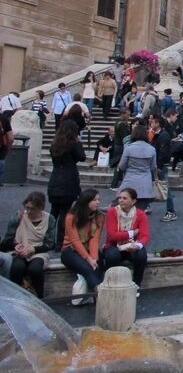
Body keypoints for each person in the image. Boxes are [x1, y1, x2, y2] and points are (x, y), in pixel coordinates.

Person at [1, 192, 55, 298]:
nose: (29, 211)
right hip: (19, 251)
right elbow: (6, 242)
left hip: (38, 252)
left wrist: (33, 249)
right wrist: (15, 246)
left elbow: (50, 244)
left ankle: (40, 297)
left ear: (40, 208)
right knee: (17, 267)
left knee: (35, 269)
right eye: (27, 207)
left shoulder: (49, 219)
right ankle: (15, 296)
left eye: (33, 209)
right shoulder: (18, 217)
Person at [47, 121, 85, 249]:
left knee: (53, 212)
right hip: (68, 180)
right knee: (64, 213)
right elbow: (82, 157)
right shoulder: (73, 145)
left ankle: (48, 239)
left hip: (55, 179)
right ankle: (60, 242)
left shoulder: (55, 144)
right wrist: (78, 142)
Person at [102, 187, 149, 290]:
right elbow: (112, 236)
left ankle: (136, 285)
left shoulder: (141, 214)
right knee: (112, 256)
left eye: (125, 198)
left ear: (133, 201)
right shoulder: (112, 212)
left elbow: (144, 236)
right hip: (114, 245)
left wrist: (137, 245)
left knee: (141, 255)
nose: (121, 200)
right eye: (120, 198)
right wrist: (132, 233)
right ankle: (111, 284)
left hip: (132, 245)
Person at [61, 189, 105, 297]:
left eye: (99, 199)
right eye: (94, 200)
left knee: (98, 265)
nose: (98, 202)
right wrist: (89, 259)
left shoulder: (100, 216)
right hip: (70, 249)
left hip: (89, 249)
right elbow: (75, 241)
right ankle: (101, 294)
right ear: (86, 201)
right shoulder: (71, 217)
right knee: (87, 268)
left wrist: (94, 258)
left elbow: (95, 239)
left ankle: (98, 296)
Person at [115, 125, 158, 211]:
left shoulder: (128, 148)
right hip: (145, 183)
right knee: (140, 212)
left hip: (130, 181)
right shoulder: (152, 149)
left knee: (125, 210)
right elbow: (153, 166)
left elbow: (122, 166)